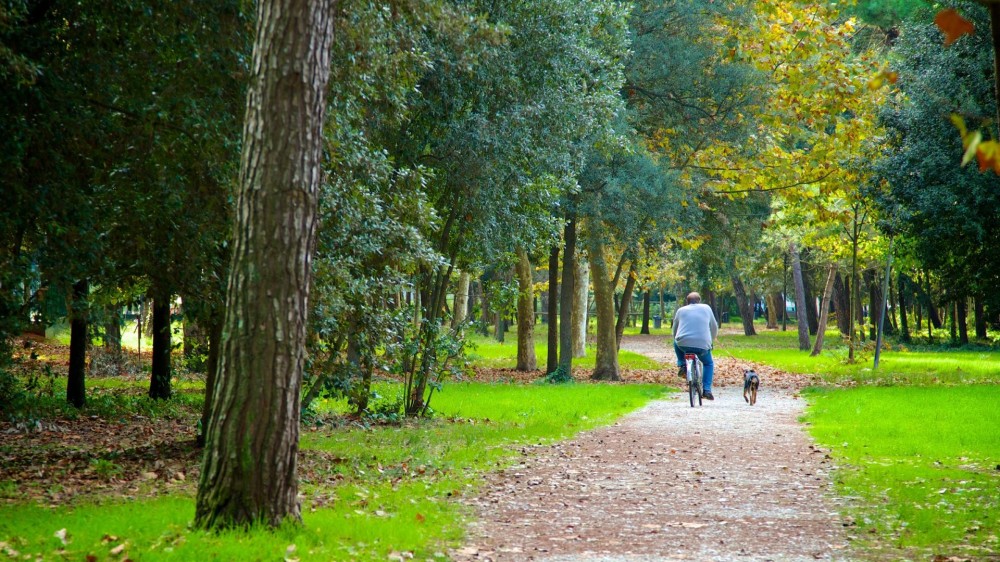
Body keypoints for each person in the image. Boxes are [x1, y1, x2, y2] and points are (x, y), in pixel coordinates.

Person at [671, 292, 719, 400]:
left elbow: (674, 330)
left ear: (687, 302)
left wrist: (676, 338)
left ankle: (682, 364)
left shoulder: (681, 310)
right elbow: (714, 327)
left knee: (675, 341)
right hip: (702, 345)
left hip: (683, 344)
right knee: (708, 363)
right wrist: (711, 339)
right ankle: (707, 390)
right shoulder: (706, 308)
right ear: (699, 301)